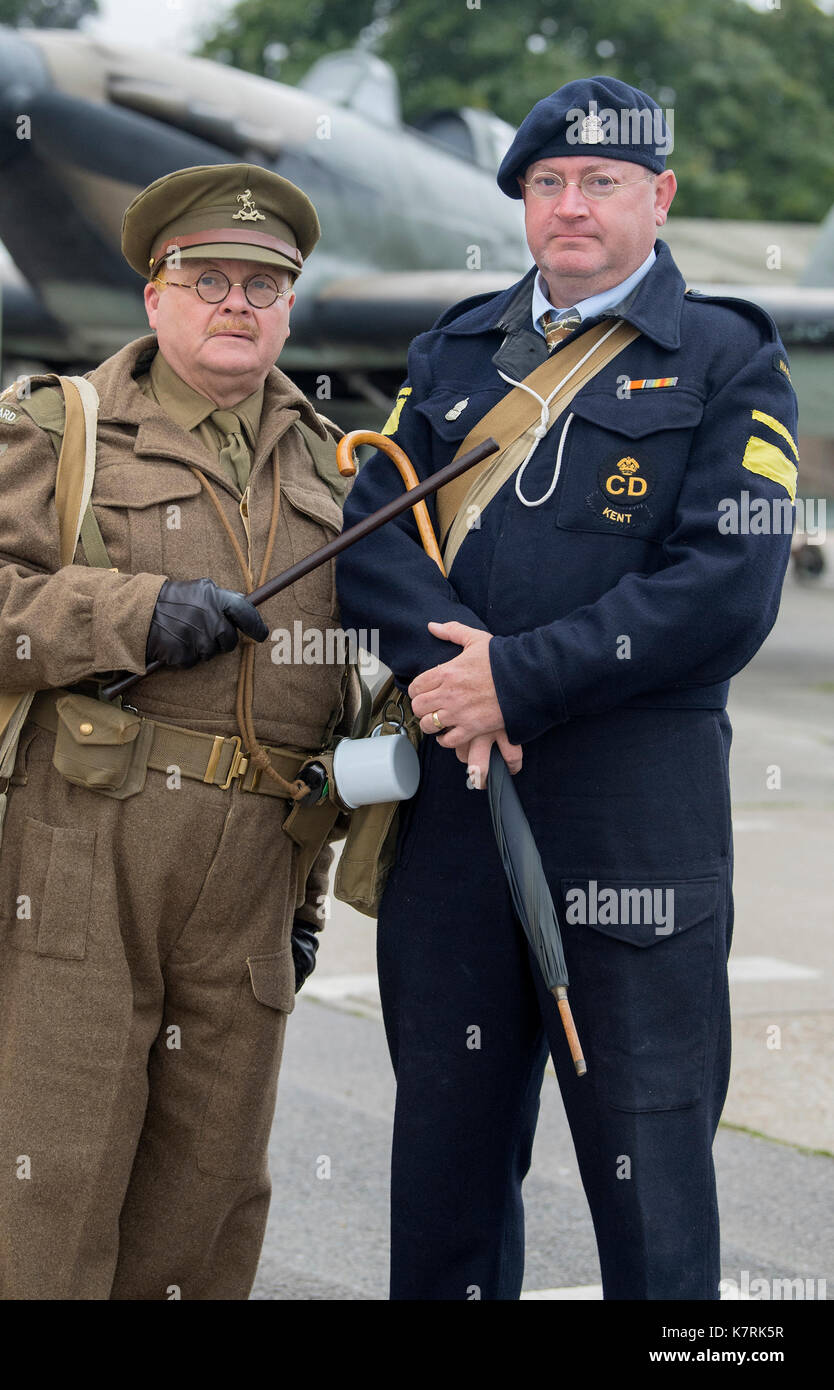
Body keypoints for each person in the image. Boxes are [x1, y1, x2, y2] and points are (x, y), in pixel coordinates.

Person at [336, 77, 798, 1300]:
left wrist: (517, 682)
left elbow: (724, 589)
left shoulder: (727, 356)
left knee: (649, 1188)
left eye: (601, 182)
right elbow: (369, 535)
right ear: (523, 203)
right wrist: (457, 682)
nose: (572, 206)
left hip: (634, 829)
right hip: (455, 822)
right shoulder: (455, 348)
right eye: (548, 183)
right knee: (443, 1181)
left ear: (660, 197)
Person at [0, 163, 355, 1300]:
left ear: (291, 308)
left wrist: (305, 890)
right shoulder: (65, 427)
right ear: (154, 295)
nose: (237, 303)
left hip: (253, 864)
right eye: (207, 278)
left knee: (206, 1200)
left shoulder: (328, 462)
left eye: (265, 284)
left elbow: (332, 687)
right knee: (45, 1186)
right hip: (83, 851)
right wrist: (131, 612)